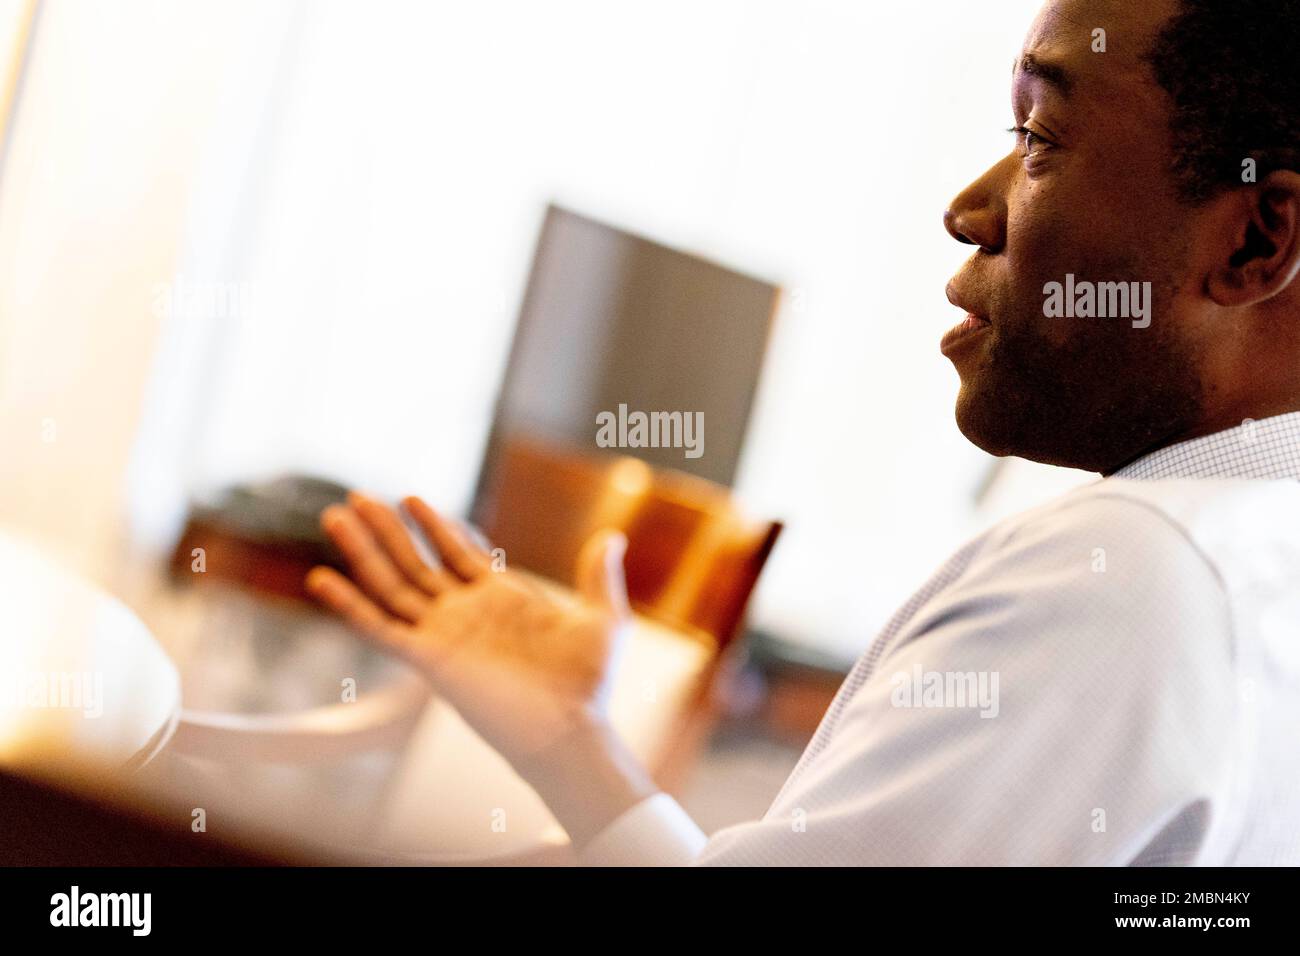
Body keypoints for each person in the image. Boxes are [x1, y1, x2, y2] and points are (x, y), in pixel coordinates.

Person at [306, 0, 1300, 865]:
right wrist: (576, 746)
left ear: (1255, 239)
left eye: (1040, 137)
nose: (968, 209)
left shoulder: (1129, 569)